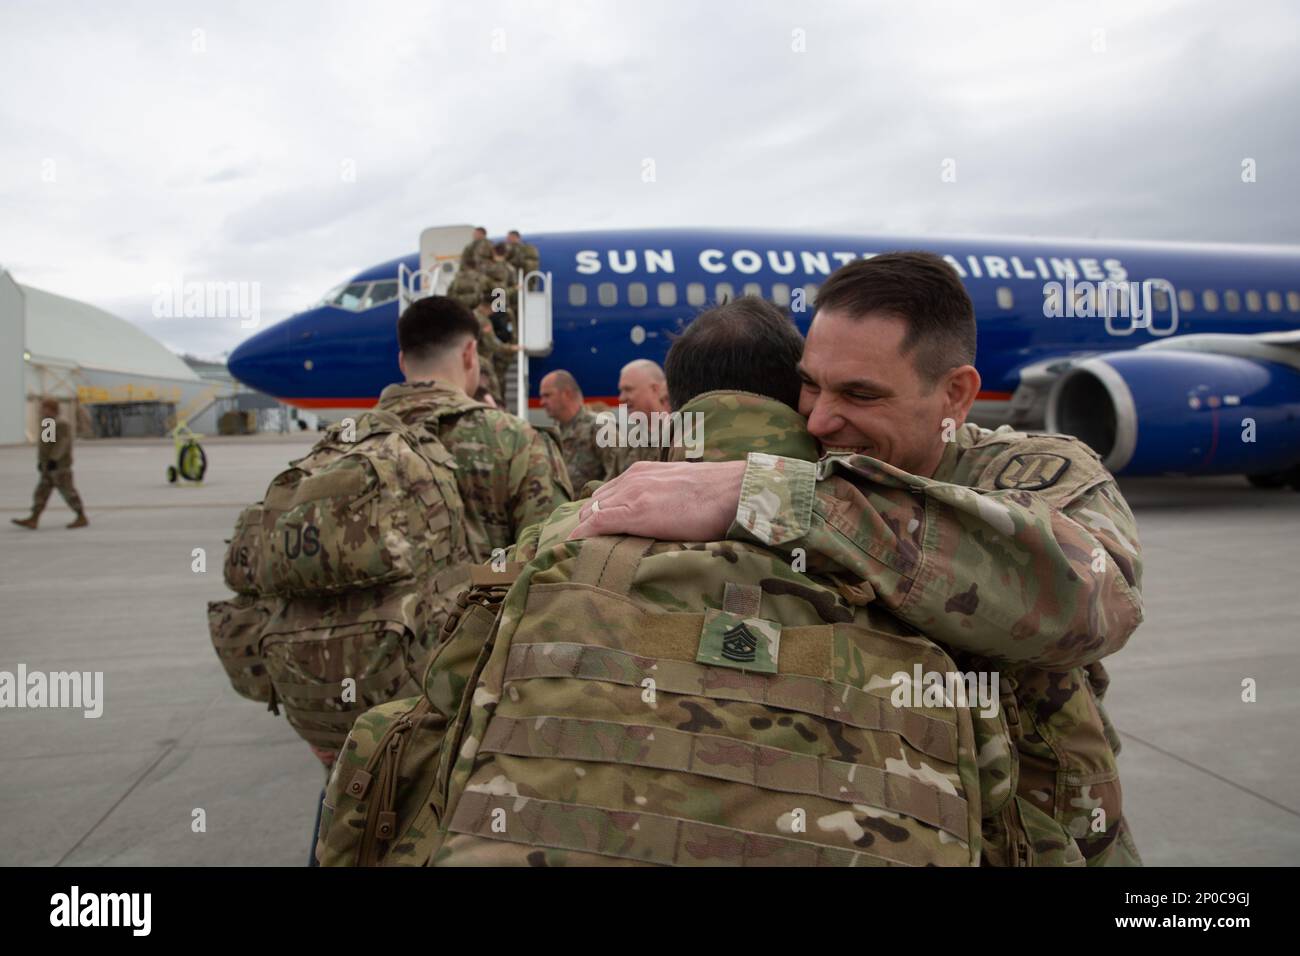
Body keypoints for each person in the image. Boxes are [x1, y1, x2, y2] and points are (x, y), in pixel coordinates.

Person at [569, 253, 1145, 866]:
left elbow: (1092, 600)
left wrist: (776, 497)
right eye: (811, 383)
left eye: (860, 394)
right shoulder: (800, 461)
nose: (819, 418)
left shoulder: (1025, 474)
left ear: (955, 394)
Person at [380, 295, 570, 563]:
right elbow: (554, 560)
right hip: (484, 604)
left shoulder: (348, 440)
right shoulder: (518, 440)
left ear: (401, 361)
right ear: (470, 354)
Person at [13, 398, 88, 530]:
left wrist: (54, 459)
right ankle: (34, 518)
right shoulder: (48, 422)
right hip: (49, 466)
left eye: (44, 408)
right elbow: (47, 445)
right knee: (41, 492)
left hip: (60, 467)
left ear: (51, 409)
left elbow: (62, 443)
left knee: (68, 492)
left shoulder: (61, 423)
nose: (41, 410)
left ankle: (81, 516)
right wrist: (42, 462)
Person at [538, 369, 615, 492]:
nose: (542, 402)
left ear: (567, 394)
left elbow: (617, 474)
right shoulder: (553, 433)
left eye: (547, 395)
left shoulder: (599, 426)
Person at [605, 358, 672, 477]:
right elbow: (610, 486)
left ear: (655, 389)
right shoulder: (630, 441)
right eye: (621, 391)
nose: (621, 398)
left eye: (628, 389)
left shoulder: (682, 435)